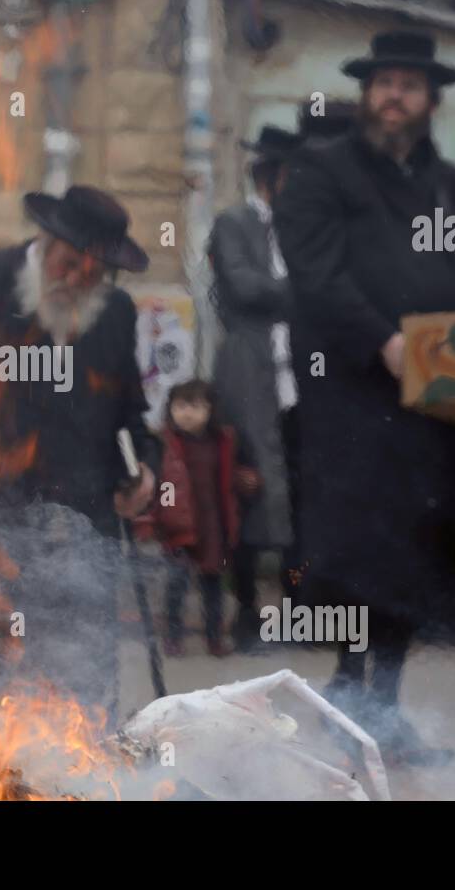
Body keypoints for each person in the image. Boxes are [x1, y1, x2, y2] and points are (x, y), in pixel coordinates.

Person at [273, 30, 455, 762]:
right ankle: (348, 706)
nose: (395, 97)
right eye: (384, 82)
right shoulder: (321, 171)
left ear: (430, 100)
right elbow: (316, 274)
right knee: (354, 559)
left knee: (414, 558)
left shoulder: (449, 186)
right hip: (350, 405)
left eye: (410, 86)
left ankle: (383, 705)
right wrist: (385, 340)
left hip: (432, 412)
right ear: (364, 93)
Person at [0, 185, 159, 717]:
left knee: (82, 695)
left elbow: (130, 415)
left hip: (82, 531)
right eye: (71, 263)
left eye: (95, 271)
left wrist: (145, 471)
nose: (77, 279)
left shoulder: (114, 314)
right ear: (48, 241)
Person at [207, 124, 302, 652]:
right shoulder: (234, 223)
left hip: (297, 379)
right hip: (248, 374)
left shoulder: (300, 227)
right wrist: (305, 291)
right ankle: (246, 612)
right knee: (248, 488)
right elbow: (244, 288)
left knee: (300, 493)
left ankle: (299, 612)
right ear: (275, 175)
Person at [137, 379, 260, 657]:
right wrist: (153, 520)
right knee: (176, 586)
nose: (187, 413)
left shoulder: (223, 443)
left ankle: (215, 638)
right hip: (177, 527)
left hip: (211, 526)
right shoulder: (164, 445)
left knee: (213, 588)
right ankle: (173, 638)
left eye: (195, 406)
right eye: (180, 406)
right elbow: (157, 487)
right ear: (170, 410)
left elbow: (231, 478)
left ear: (210, 410)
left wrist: (248, 482)